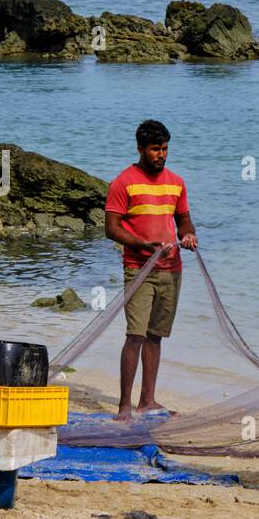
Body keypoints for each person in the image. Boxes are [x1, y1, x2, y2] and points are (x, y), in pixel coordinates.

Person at [104, 119, 198, 421]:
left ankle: (148, 400)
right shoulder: (124, 182)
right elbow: (111, 228)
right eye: (156, 149)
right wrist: (143, 244)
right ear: (140, 149)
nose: (162, 154)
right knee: (135, 334)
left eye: (165, 149)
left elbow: (183, 221)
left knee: (156, 336)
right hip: (138, 268)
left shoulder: (177, 182)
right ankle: (124, 406)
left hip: (171, 269)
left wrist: (188, 236)